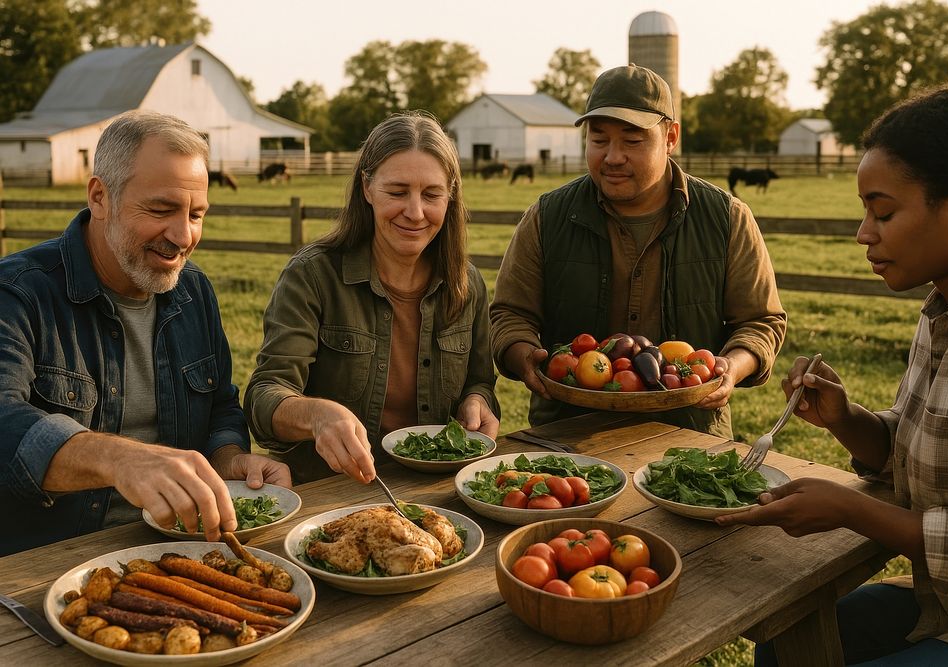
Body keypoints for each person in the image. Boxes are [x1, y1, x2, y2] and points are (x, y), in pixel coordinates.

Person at [719, 83, 948, 666]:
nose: (863, 233)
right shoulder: (945, 308)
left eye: (884, 210)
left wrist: (852, 510)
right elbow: (918, 453)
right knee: (781, 647)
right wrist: (848, 420)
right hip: (947, 604)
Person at [0, 110, 290, 556]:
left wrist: (230, 459)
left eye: (197, 214)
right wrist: (118, 458)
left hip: (182, 552)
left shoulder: (195, 292)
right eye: (160, 210)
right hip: (50, 562)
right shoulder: (17, 293)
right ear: (100, 197)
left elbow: (220, 408)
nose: (182, 236)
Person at [490, 64, 786, 437]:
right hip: (569, 436)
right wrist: (524, 357)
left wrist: (732, 367)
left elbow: (761, 321)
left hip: (689, 435)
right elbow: (510, 313)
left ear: (671, 137)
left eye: (632, 141)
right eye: (599, 140)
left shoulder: (727, 217)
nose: (613, 157)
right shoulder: (547, 216)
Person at [244, 111, 500, 485]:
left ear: (451, 196)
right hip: (328, 491)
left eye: (431, 195)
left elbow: (480, 383)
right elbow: (263, 397)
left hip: (433, 489)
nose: (414, 213)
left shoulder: (467, 283)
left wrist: (477, 404)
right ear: (367, 188)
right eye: (397, 192)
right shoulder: (313, 275)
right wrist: (318, 416)